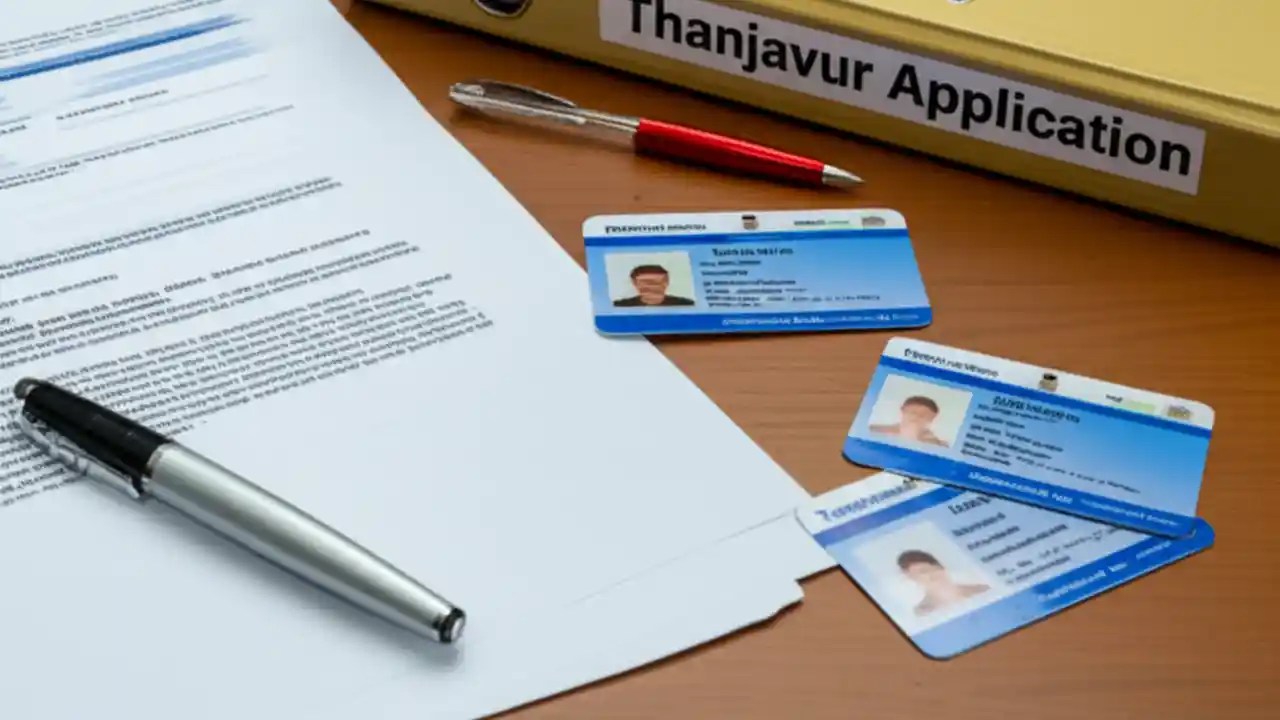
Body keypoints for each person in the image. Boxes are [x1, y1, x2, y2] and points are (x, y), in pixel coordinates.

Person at [897, 550, 989, 616]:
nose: (931, 574)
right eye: (923, 572)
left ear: (941, 567)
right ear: (913, 579)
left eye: (933, 568)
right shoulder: (923, 611)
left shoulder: (981, 590)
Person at [869, 395, 948, 446]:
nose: (916, 417)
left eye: (923, 415)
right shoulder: (874, 431)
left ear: (932, 418)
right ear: (902, 410)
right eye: (913, 412)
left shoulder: (940, 446)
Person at [613, 264, 695, 307]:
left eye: (657, 282)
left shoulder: (687, 305)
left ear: (666, 282)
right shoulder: (619, 307)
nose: (652, 286)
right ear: (634, 283)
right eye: (646, 282)